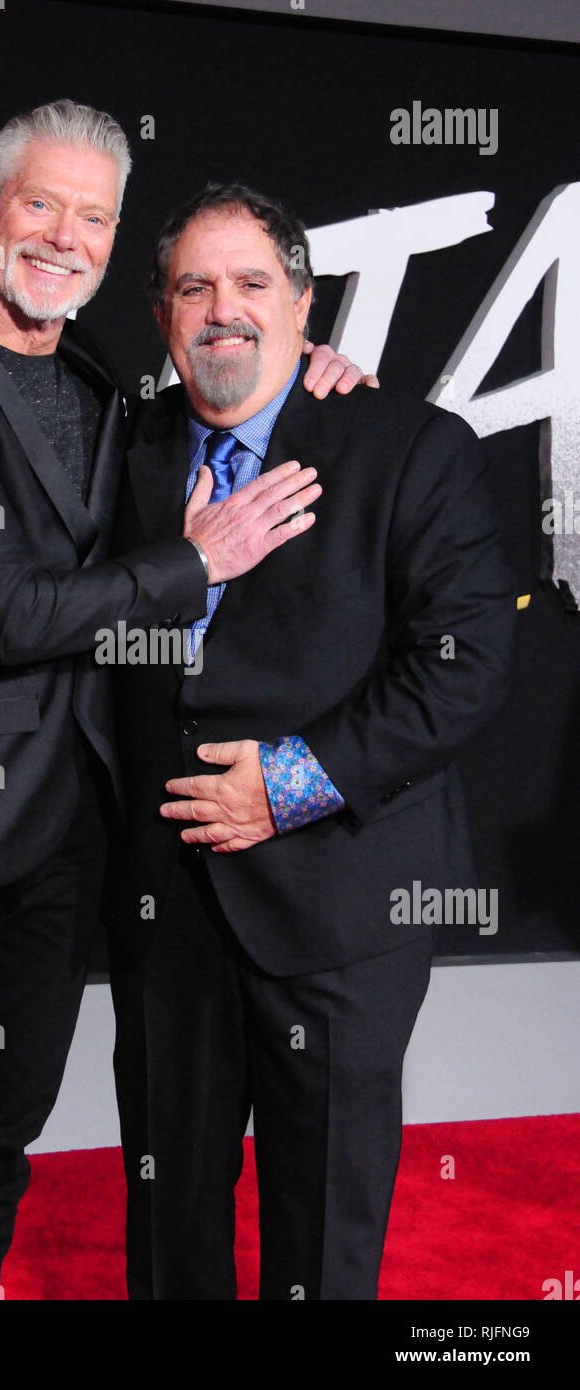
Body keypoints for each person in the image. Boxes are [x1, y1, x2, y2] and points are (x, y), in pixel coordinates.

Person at [0, 101, 362, 1300]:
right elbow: (7, 613)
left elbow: (196, 414)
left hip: (63, 833)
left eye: (93, 217)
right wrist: (196, 559)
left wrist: (310, 371)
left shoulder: (94, 373)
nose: (64, 237)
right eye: (40, 205)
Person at [109, 183, 516, 1300]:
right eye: (194, 287)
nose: (222, 310)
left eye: (252, 284)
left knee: (324, 1232)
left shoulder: (408, 447)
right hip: (167, 907)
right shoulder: (120, 451)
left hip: (341, 899)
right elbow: (34, 601)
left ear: (302, 305)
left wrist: (287, 783)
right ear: (160, 314)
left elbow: (465, 663)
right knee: (168, 1227)